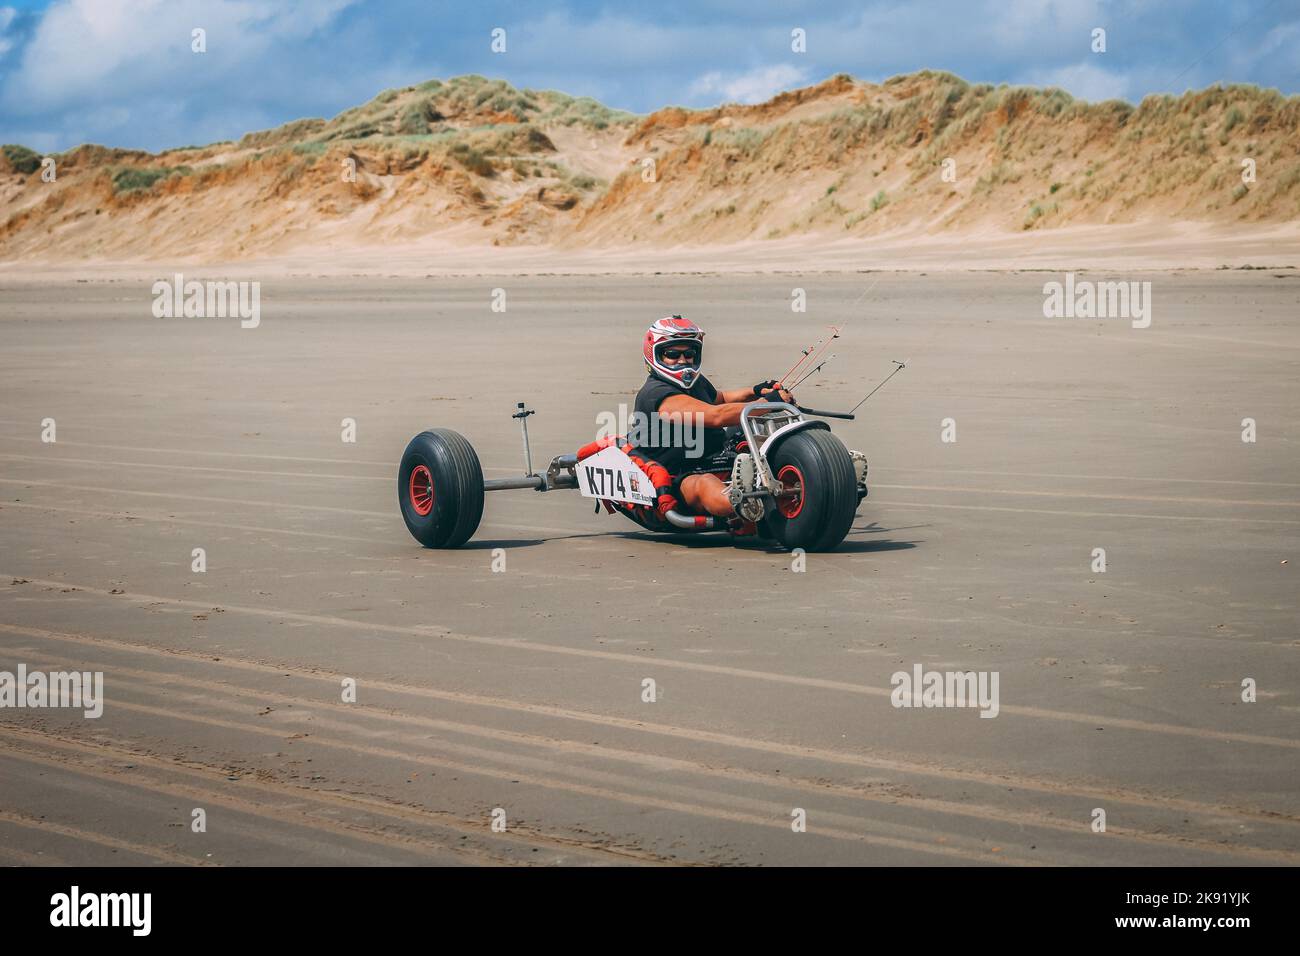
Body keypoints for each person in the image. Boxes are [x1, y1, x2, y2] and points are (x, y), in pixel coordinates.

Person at [634, 315, 794, 520]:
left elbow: (720, 398)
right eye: (672, 354)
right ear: (656, 355)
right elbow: (715, 416)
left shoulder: (695, 384)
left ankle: (790, 481)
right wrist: (765, 404)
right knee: (704, 483)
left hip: (716, 457)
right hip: (676, 476)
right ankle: (741, 503)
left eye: (689, 353)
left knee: (757, 436)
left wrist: (756, 391)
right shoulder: (657, 393)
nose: (683, 360)